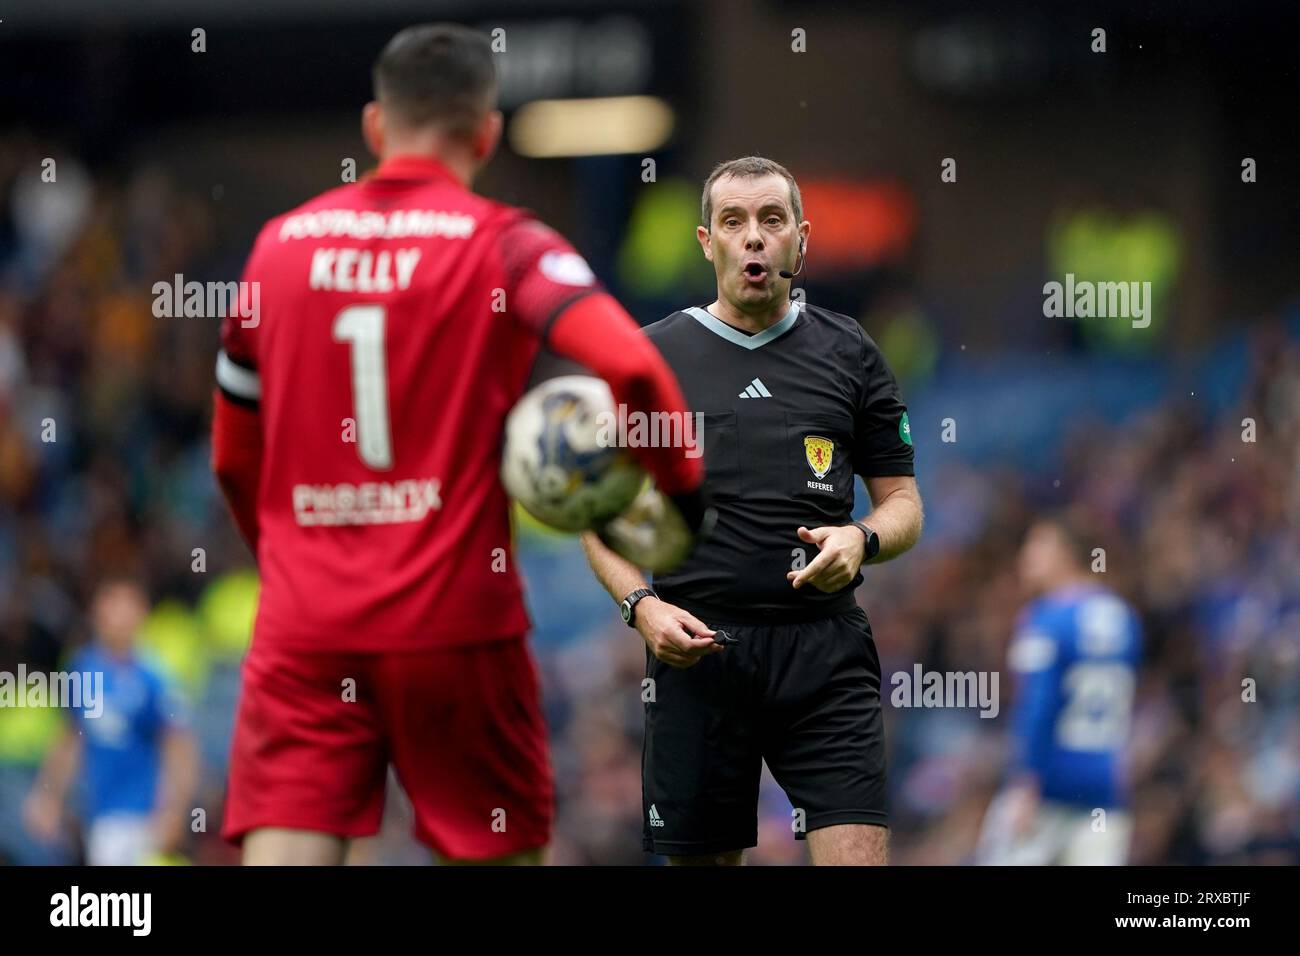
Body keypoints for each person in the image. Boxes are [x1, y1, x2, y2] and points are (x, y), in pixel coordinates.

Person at [210, 23, 709, 865]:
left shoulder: (274, 251)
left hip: (306, 628)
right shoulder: (507, 244)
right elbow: (633, 364)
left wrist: (293, 562)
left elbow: (231, 457)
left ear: (375, 127)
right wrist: (682, 497)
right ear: (488, 133)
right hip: (455, 628)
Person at [582, 156, 924, 865]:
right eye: (734, 222)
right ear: (707, 242)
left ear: (802, 237)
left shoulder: (852, 352)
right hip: (700, 654)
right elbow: (600, 519)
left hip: (825, 656)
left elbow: (904, 504)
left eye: (772, 220)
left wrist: (862, 538)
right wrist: (642, 606)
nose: (754, 238)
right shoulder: (650, 361)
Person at [976, 516, 1142, 865]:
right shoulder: (1124, 617)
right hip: (1104, 787)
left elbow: (1038, 704)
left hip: (1047, 787)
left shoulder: (1046, 618)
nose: (1026, 557)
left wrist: (1026, 778)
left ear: (1067, 554)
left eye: (1038, 546)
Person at [23, 578, 197, 866]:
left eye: (127, 606)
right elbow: (71, 739)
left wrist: (174, 812)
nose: (118, 616)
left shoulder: (155, 675)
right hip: (101, 814)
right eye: (111, 605)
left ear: (141, 613)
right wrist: (48, 796)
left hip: (146, 815)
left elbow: (179, 748)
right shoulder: (82, 669)